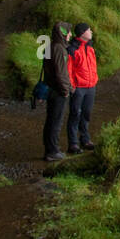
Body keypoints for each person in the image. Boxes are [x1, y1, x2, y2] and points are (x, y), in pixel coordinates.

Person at [42, 21, 73, 162]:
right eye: (68, 32)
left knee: (51, 120)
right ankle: (53, 151)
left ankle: (50, 148)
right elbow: (61, 73)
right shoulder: (59, 49)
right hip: (58, 90)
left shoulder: (50, 46)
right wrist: (66, 90)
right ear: (63, 33)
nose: (70, 35)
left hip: (51, 88)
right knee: (56, 121)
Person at [66, 23, 98, 153]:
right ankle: (73, 143)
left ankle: (85, 139)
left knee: (86, 113)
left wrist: (95, 80)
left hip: (91, 86)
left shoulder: (90, 48)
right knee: (75, 114)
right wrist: (72, 86)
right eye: (88, 30)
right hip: (78, 87)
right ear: (82, 32)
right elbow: (69, 70)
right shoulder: (73, 49)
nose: (91, 32)